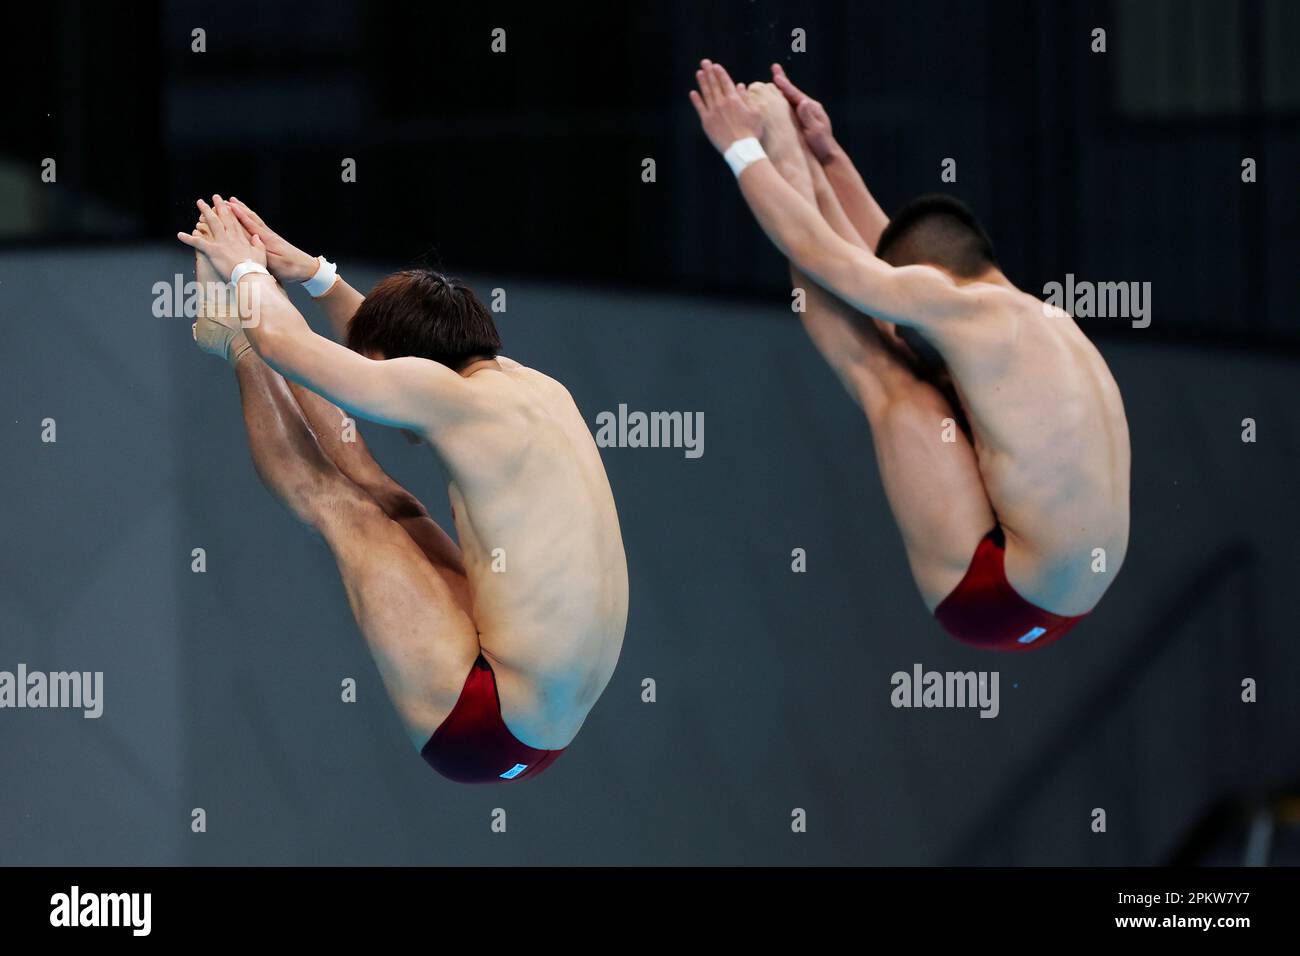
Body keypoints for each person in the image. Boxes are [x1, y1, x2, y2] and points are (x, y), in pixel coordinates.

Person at [179, 196, 628, 780]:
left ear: (401, 361)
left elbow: (289, 348)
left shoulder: (449, 398)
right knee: (390, 501)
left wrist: (245, 273)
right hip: (546, 721)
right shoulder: (537, 388)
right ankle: (249, 316)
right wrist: (315, 274)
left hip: (484, 723)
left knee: (343, 507)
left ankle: (229, 339)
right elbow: (396, 354)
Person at [690, 62, 1130, 651]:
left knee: (889, 380)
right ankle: (804, 164)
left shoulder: (961, 311)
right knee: (908, 344)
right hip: (1077, 592)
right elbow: (891, 266)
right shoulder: (1041, 317)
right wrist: (827, 156)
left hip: (997, 599)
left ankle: (787, 160)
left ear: (936, 279)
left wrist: (745, 148)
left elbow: (829, 258)